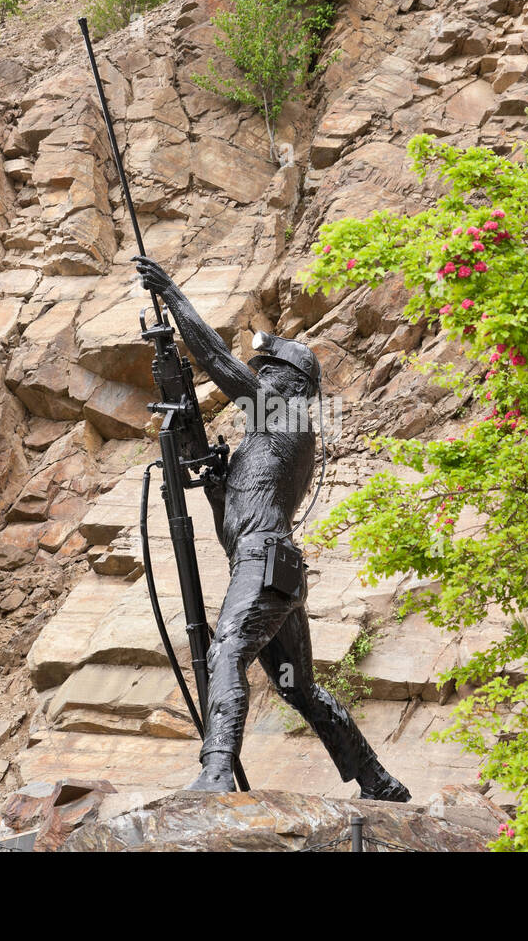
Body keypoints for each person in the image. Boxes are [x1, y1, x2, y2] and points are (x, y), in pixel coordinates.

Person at [133, 255, 411, 800]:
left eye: (266, 371)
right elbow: (231, 518)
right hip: (270, 563)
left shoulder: (283, 415)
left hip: (264, 561)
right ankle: (379, 781)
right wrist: (215, 483)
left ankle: (215, 774)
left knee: (227, 653)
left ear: (289, 381)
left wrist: (172, 292)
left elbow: (215, 358)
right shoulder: (268, 442)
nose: (258, 376)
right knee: (299, 687)